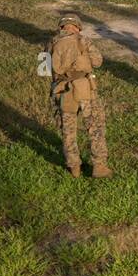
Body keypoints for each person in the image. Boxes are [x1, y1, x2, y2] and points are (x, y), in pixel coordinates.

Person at [48, 15, 111, 178]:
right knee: (95, 126)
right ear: (77, 27)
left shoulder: (51, 43)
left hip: (63, 90)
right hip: (85, 88)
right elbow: (98, 62)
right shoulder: (84, 40)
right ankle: (99, 166)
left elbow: (44, 70)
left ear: (61, 27)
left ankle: (74, 167)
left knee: (68, 129)